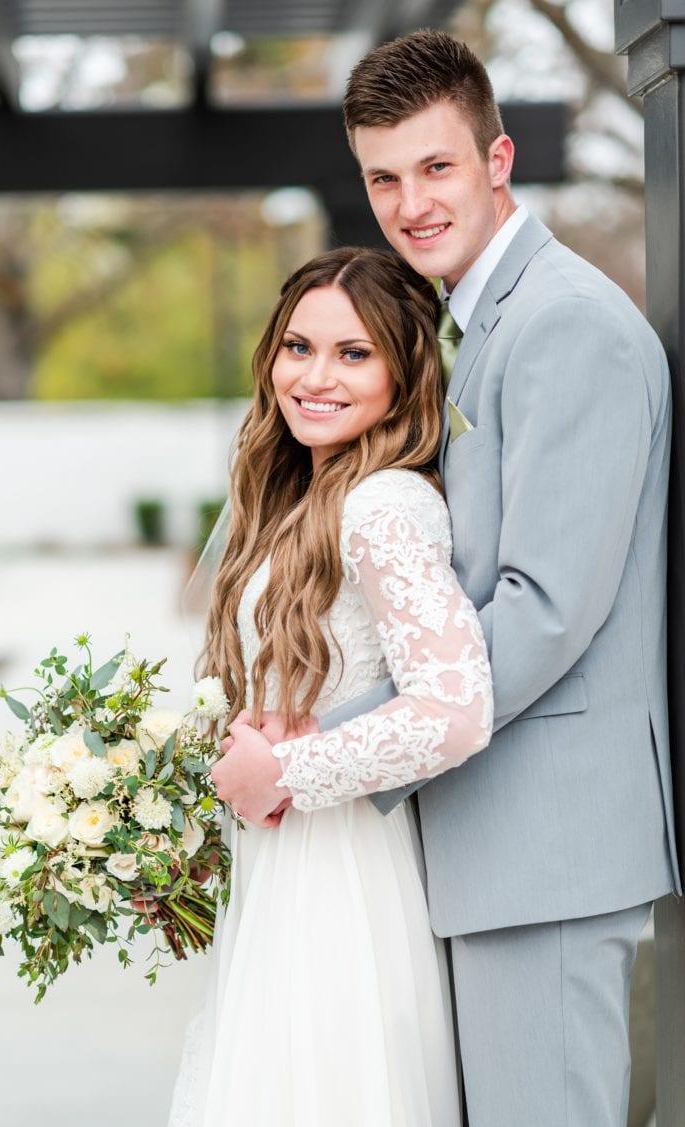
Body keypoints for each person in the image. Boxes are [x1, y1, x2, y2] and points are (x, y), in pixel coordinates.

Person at [212, 28, 680, 1127]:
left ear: (499, 158)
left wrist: (317, 751)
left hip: (546, 847)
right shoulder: (478, 321)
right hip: (490, 839)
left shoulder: (563, 324)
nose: (411, 202)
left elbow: (546, 610)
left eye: (437, 167)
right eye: (384, 176)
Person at [168, 246, 493, 1126]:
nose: (316, 376)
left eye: (354, 353)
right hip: (279, 865)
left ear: (405, 368)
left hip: (343, 873)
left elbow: (455, 710)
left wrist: (286, 774)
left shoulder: (387, 506)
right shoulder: (294, 497)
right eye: (298, 346)